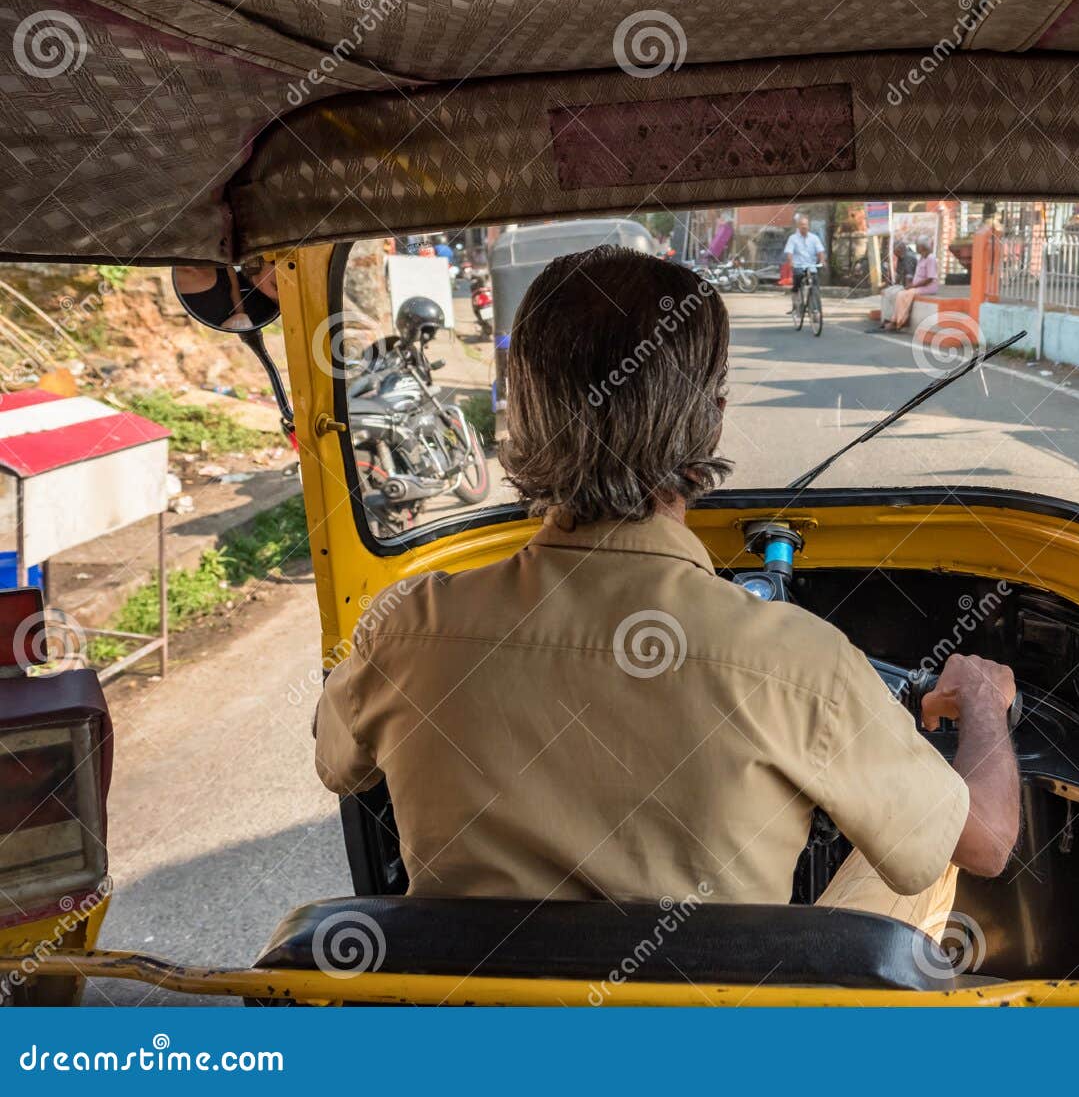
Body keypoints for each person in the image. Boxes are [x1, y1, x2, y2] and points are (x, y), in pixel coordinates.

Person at [315, 246, 1019, 936]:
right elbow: (987, 838)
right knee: (917, 855)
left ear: (522, 414)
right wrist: (983, 702)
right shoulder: (801, 666)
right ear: (711, 417)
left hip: (469, 1042)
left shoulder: (406, 633)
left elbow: (333, 762)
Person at [884, 239, 940, 331]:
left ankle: (900, 322)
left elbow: (930, 279)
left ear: (922, 247)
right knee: (900, 294)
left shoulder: (930, 258)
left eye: (917, 246)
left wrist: (912, 286)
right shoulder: (922, 258)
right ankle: (894, 320)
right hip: (918, 286)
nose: (916, 248)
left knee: (903, 294)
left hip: (928, 287)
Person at [784, 215, 825, 317]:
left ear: (808, 226)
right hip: (798, 266)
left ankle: (815, 310)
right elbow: (789, 252)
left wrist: (822, 260)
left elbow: (820, 251)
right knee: (797, 283)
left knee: (815, 286)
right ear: (798, 226)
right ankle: (796, 304)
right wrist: (791, 262)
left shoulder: (814, 238)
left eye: (806, 224)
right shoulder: (793, 238)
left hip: (811, 267)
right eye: (802, 225)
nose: (804, 226)